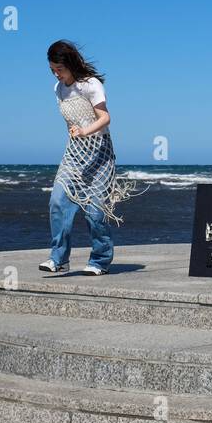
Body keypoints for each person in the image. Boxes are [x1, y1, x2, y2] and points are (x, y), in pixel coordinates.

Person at [41, 39, 135, 275]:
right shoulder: (58, 89)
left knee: (95, 211)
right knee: (57, 201)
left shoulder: (90, 85)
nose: (56, 75)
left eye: (59, 69)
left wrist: (84, 131)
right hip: (74, 153)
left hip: (100, 152)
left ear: (70, 64)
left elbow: (105, 118)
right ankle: (59, 257)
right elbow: (70, 122)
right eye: (52, 70)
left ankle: (100, 260)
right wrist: (76, 135)